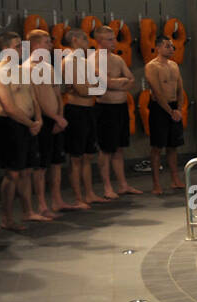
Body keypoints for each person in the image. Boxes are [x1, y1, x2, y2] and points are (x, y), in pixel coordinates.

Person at [0, 31, 48, 228]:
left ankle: (28, 211)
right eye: (16, 47)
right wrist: (30, 124)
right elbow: (8, 107)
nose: (20, 50)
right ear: (5, 49)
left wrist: (38, 119)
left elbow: (33, 97)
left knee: (27, 171)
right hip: (10, 125)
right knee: (13, 173)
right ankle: (7, 218)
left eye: (21, 47)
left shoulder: (22, 70)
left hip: (29, 124)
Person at [25, 29, 73, 215]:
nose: (51, 46)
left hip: (57, 119)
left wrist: (60, 116)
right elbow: (36, 99)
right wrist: (54, 118)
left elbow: (56, 94)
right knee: (41, 166)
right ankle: (42, 204)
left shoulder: (49, 67)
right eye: (47, 42)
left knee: (56, 162)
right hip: (43, 119)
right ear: (36, 46)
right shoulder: (28, 69)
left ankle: (57, 200)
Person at [93, 25, 141, 197]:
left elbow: (132, 80)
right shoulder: (94, 60)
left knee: (119, 148)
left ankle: (122, 184)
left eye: (114, 38)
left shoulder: (118, 59)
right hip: (105, 108)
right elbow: (107, 84)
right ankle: (107, 187)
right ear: (99, 41)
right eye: (110, 39)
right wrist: (120, 83)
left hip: (120, 107)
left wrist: (115, 83)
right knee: (106, 149)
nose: (114, 42)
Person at [61, 28, 104, 208]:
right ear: (76, 40)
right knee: (76, 157)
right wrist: (91, 87)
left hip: (88, 110)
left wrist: (90, 87)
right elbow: (81, 89)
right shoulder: (70, 61)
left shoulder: (83, 61)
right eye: (85, 39)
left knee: (87, 156)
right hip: (76, 110)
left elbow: (97, 84)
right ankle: (78, 197)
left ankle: (89, 193)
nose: (89, 42)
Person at [145, 33, 186, 195]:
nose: (171, 49)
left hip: (174, 106)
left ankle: (175, 179)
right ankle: (156, 183)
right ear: (158, 47)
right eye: (168, 46)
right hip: (159, 108)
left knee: (173, 146)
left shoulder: (174, 66)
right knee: (157, 147)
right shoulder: (151, 66)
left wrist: (179, 109)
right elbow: (157, 91)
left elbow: (180, 89)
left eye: (172, 47)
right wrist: (170, 112)